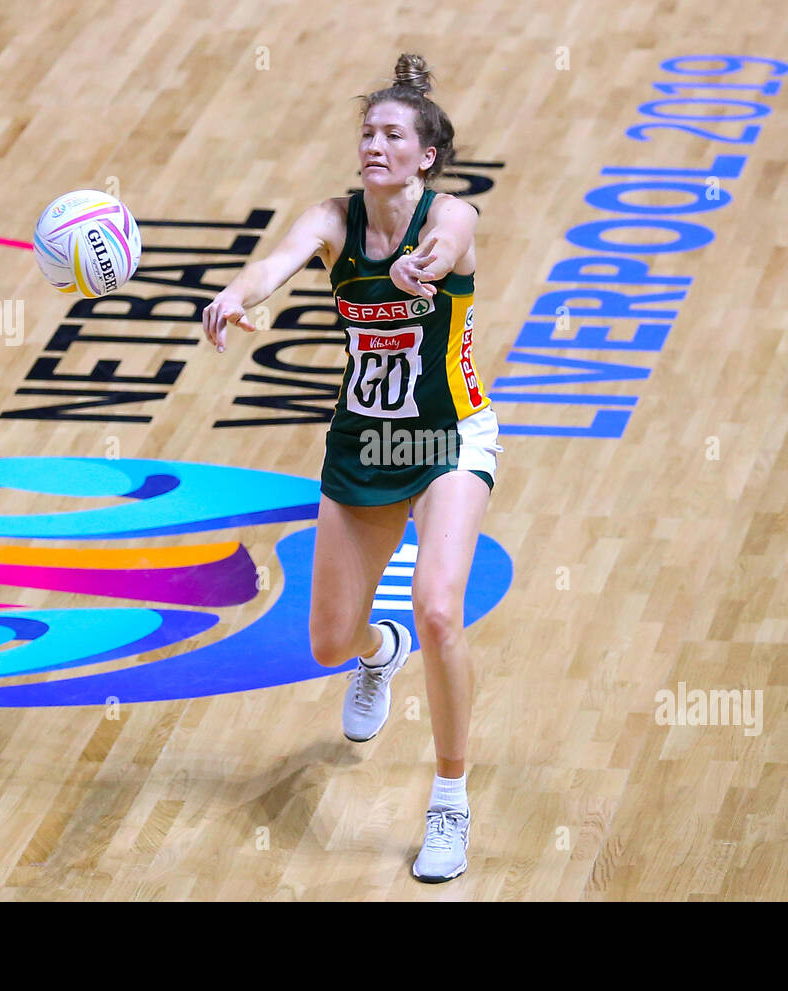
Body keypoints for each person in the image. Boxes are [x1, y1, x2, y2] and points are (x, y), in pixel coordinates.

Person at [202, 53, 500, 883]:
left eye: (392, 134)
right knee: (331, 638)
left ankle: (449, 799)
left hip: (448, 436)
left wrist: (421, 270)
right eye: (367, 132)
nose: (374, 144)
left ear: (425, 156)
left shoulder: (453, 217)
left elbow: (444, 249)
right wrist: (239, 294)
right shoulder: (334, 220)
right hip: (365, 443)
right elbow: (279, 259)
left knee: (441, 606)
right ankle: (380, 651)